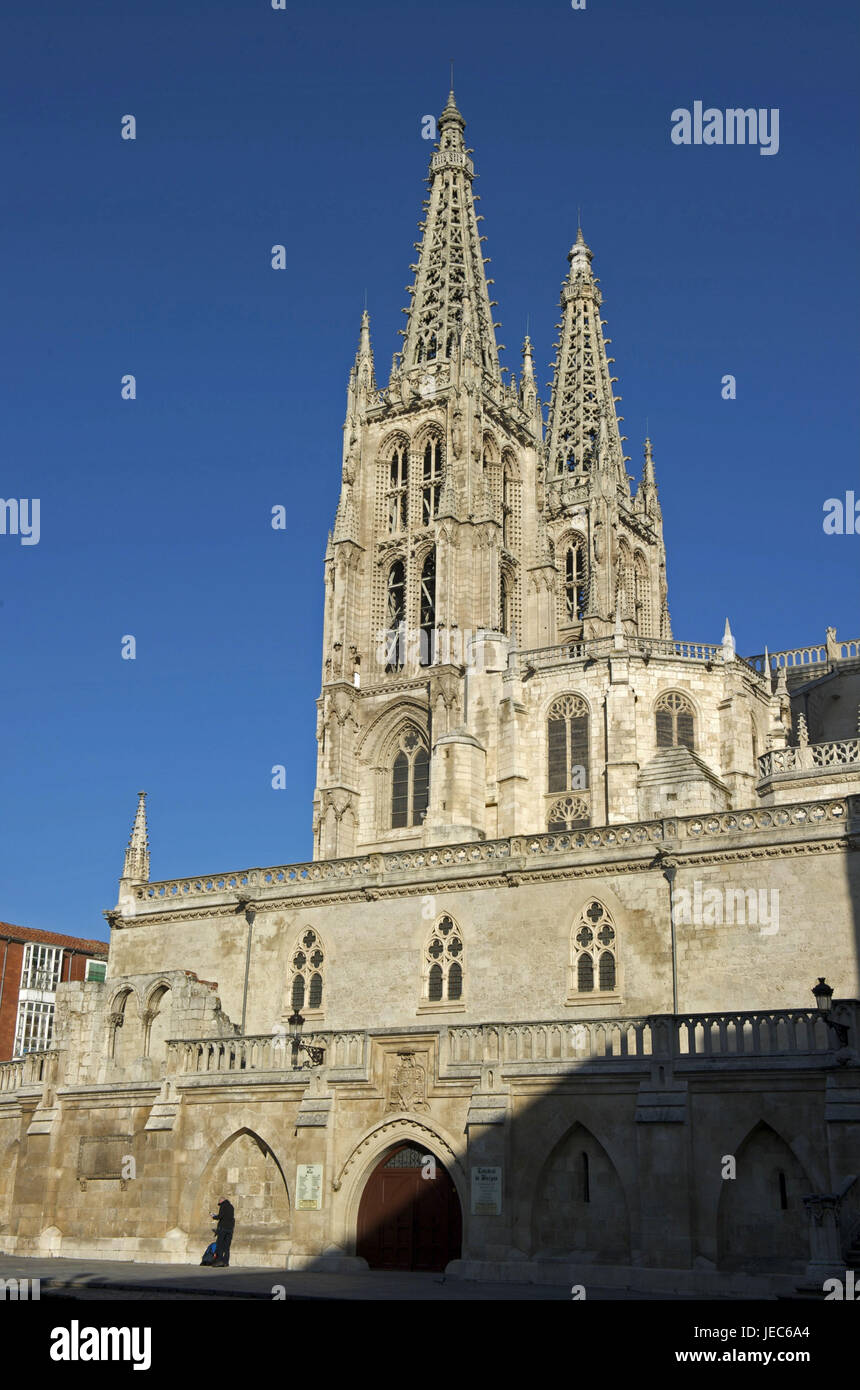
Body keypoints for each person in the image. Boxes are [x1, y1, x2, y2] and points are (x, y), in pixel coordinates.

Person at [210, 1197, 235, 1267]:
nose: (219, 1205)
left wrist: (213, 1216)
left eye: (219, 1203)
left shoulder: (223, 1206)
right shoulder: (231, 1206)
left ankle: (219, 1261)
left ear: (221, 1201)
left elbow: (220, 1216)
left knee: (220, 1245)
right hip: (230, 1229)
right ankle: (226, 1262)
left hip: (223, 1228)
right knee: (227, 1247)